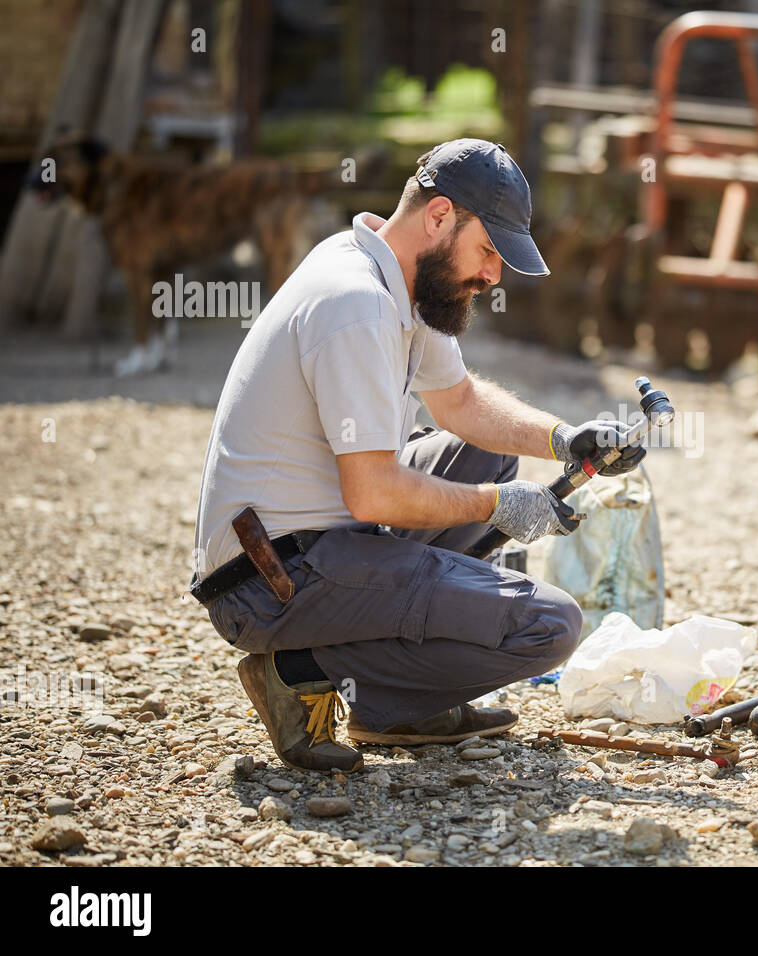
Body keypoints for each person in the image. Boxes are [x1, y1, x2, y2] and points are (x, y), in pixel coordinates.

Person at [188, 139, 644, 773]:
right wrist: (500, 508)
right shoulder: (355, 303)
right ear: (437, 216)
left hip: (315, 540)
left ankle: (394, 708)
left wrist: (563, 439)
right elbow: (373, 492)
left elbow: (458, 403)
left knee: (484, 455)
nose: (493, 275)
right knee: (550, 625)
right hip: (268, 581)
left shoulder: (395, 272)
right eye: (488, 250)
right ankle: (296, 670)